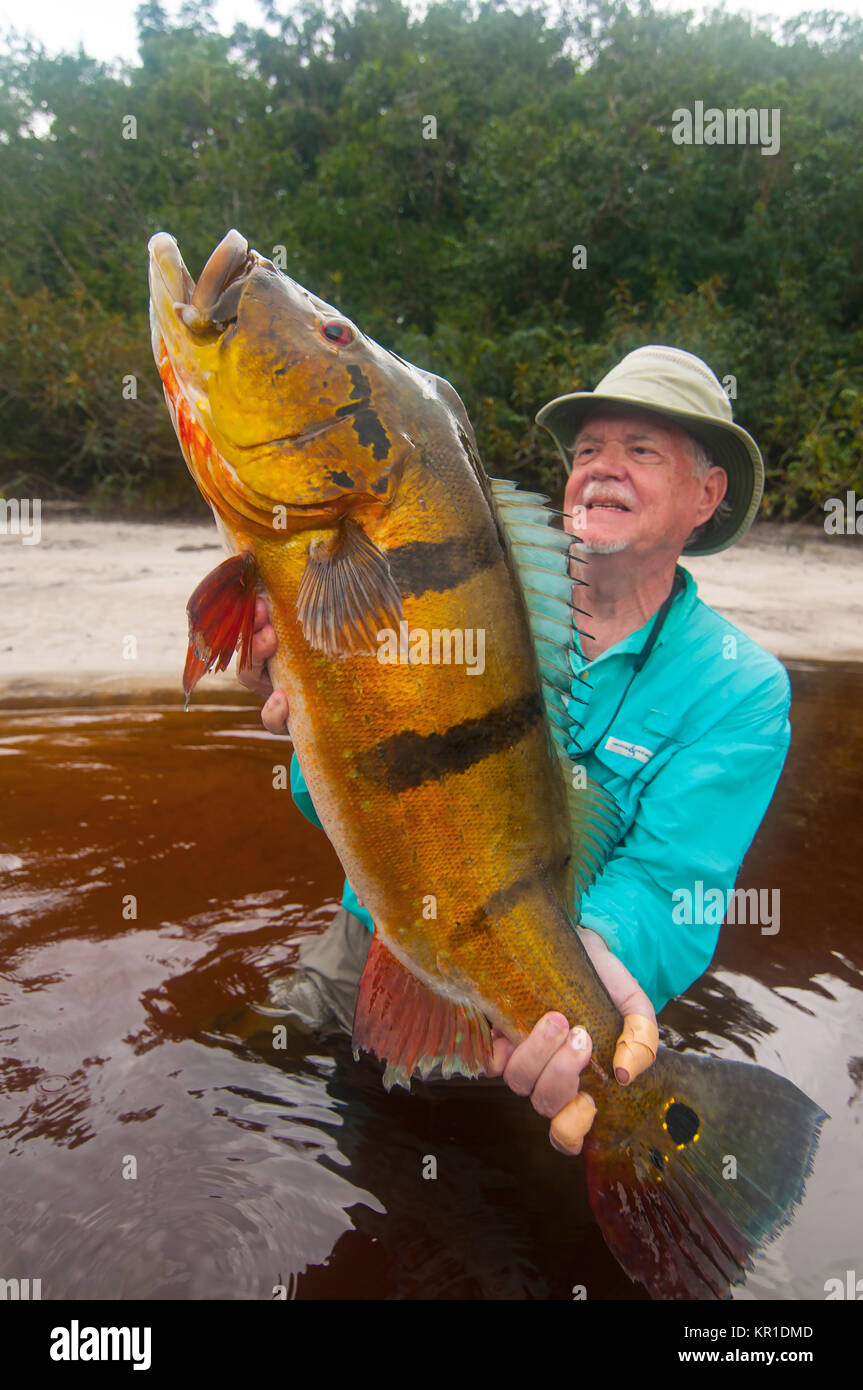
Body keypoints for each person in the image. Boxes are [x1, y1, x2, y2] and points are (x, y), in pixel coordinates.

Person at [240, 345, 791, 1157]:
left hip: (547, 992)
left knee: (477, 1200)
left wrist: (580, 987)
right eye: (588, 451)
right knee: (248, 1078)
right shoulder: (460, 587)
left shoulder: (739, 687)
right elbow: (365, 793)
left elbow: (674, 884)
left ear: (707, 495)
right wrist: (312, 720)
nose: (602, 470)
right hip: (376, 933)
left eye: (640, 452)